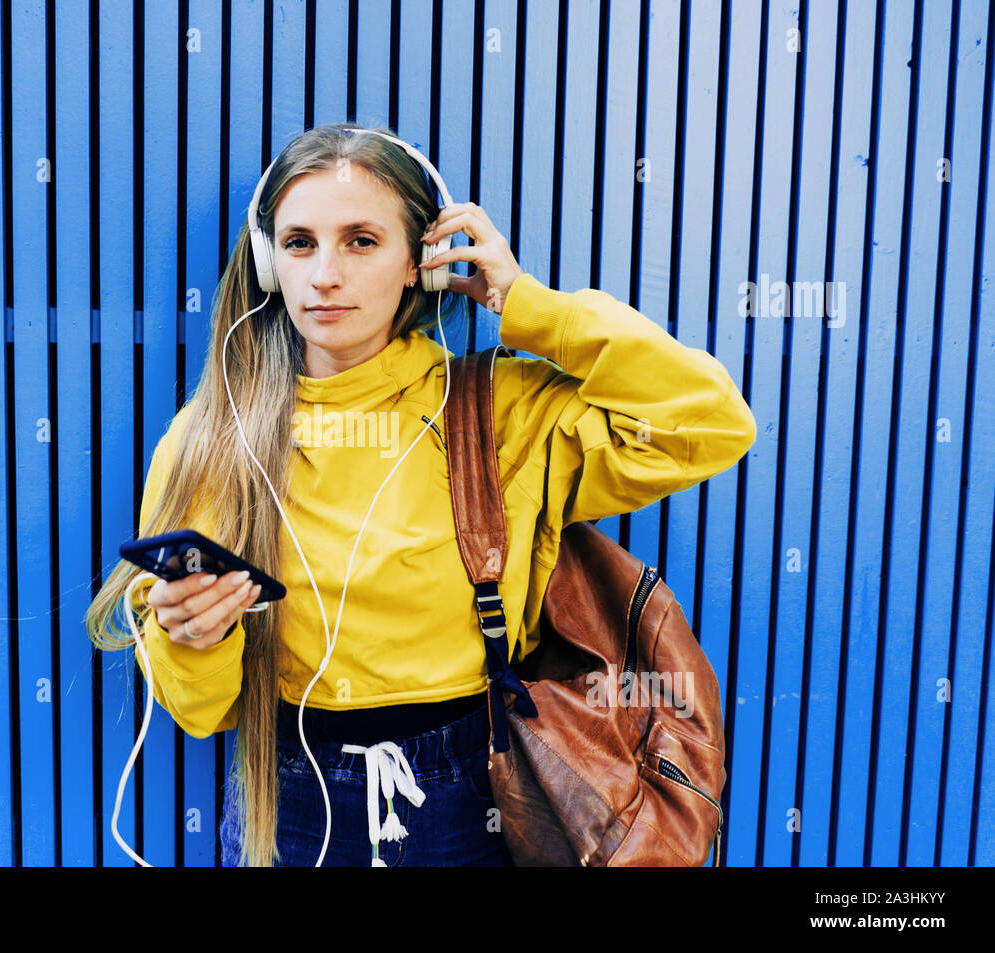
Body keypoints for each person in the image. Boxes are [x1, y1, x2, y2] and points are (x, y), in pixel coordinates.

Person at [85, 121, 757, 867]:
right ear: (270, 266)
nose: (325, 274)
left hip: (477, 796)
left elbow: (711, 421)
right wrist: (195, 640)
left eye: (362, 240)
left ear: (421, 264)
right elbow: (201, 713)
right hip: (286, 797)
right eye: (300, 243)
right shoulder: (215, 438)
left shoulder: (499, 414)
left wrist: (527, 304)